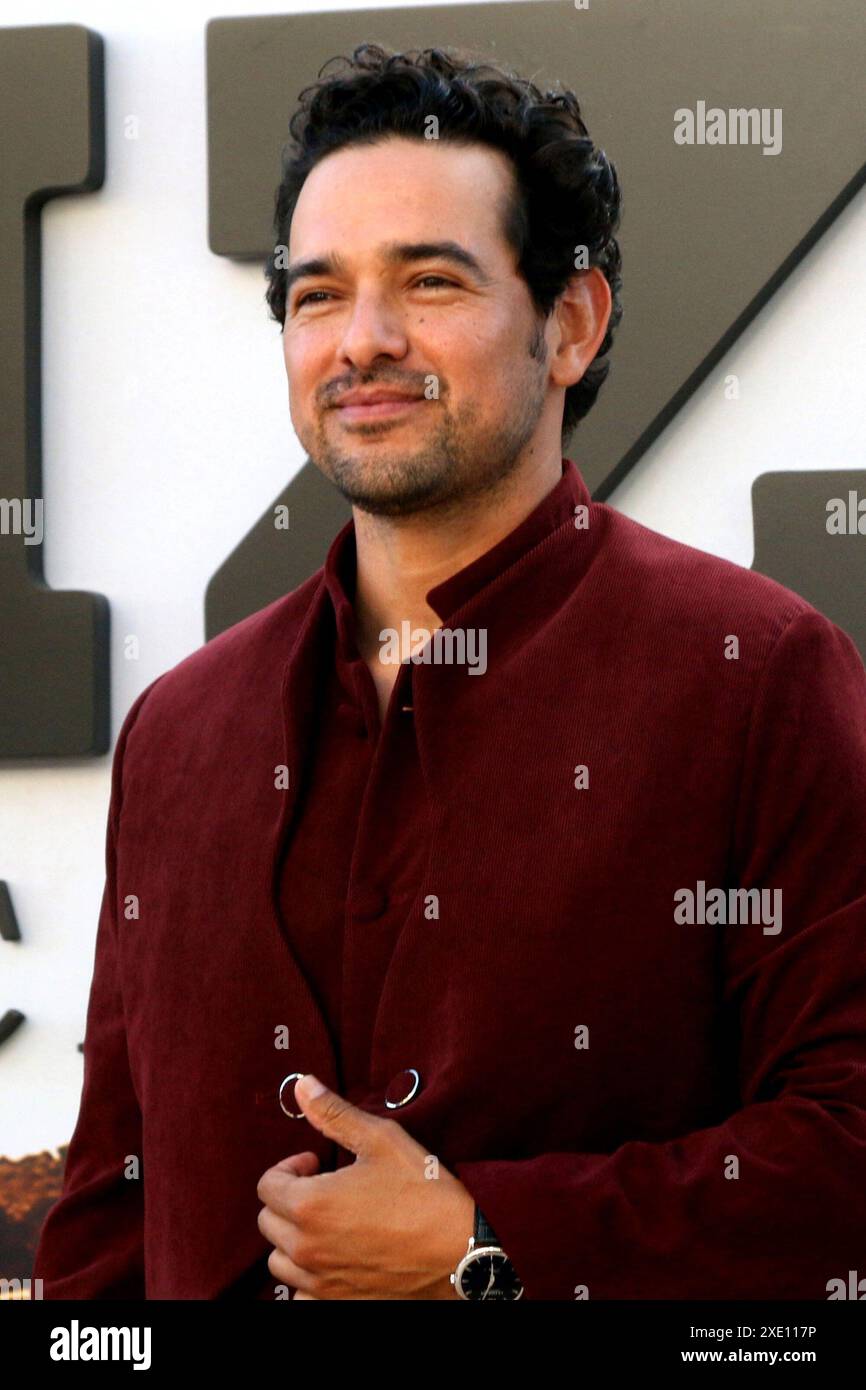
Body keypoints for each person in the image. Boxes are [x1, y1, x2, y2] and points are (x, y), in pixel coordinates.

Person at [34, 43, 866, 1301]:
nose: (361, 342)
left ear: (569, 323)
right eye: (316, 296)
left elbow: (844, 1151)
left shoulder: (754, 677)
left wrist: (491, 1243)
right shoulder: (180, 729)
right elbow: (108, 1209)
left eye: (427, 280)